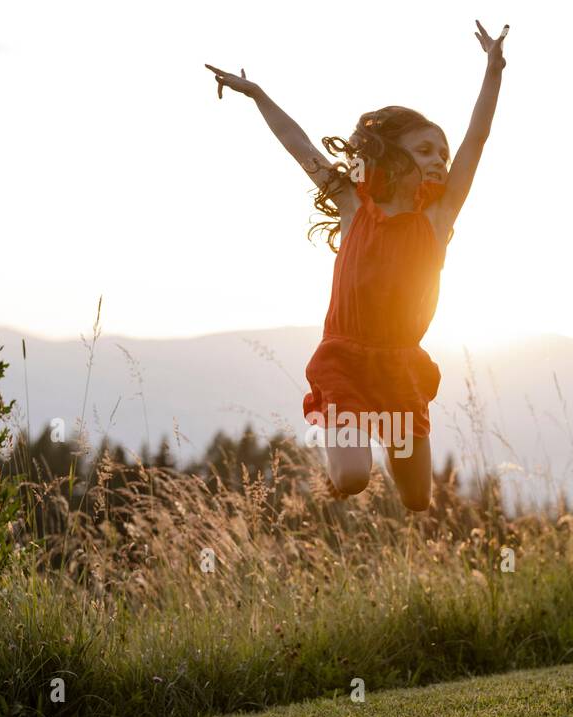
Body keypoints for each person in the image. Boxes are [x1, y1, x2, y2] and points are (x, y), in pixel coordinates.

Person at [205, 21, 508, 511]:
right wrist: (257, 94)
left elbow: (479, 137)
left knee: (416, 499)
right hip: (345, 360)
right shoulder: (352, 205)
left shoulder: (438, 216)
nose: (439, 160)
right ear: (390, 155)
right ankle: (348, 430)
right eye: (425, 150)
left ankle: (383, 428)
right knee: (349, 479)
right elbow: (299, 146)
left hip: (401, 366)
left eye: (442, 153)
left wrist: (492, 70)